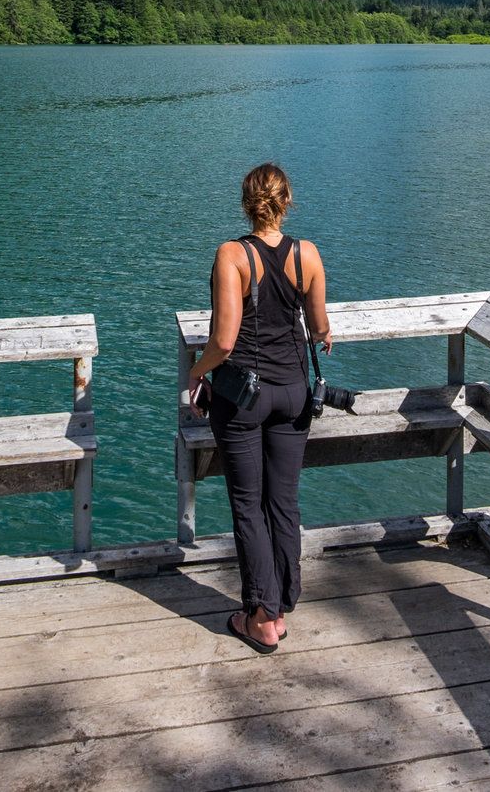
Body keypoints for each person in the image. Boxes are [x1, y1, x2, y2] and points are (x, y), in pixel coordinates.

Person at [188, 163, 332, 654]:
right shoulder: (307, 254)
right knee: (283, 502)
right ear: (286, 199)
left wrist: (195, 373)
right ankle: (284, 603)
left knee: (248, 505)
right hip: (294, 391)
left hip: (245, 396)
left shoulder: (232, 255)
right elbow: (319, 328)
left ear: (246, 201)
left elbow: (224, 341)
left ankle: (261, 618)